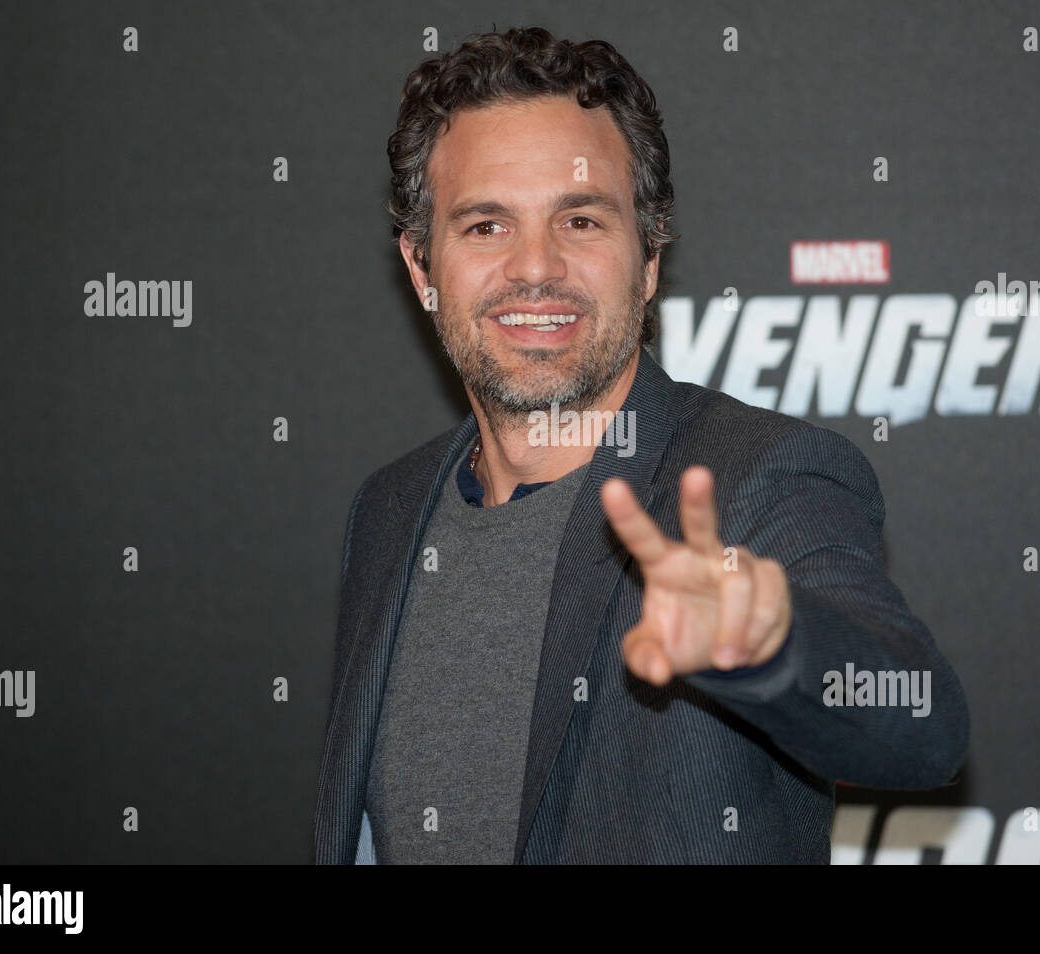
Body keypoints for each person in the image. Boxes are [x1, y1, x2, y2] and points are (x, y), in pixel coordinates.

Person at [314, 26, 969, 864]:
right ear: (421, 266)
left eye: (580, 220)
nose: (535, 269)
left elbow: (922, 723)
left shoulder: (759, 477)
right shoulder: (389, 509)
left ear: (649, 255)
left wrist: (773, 647)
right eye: (485, 227)